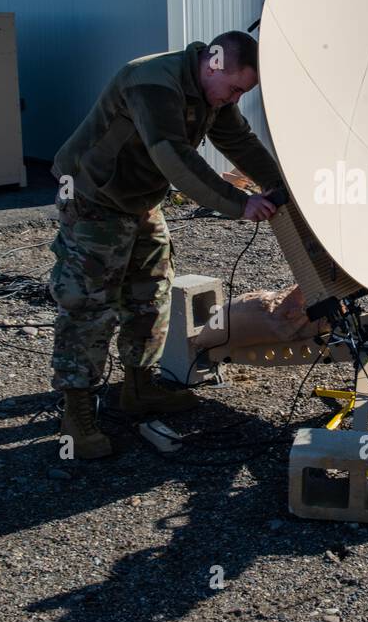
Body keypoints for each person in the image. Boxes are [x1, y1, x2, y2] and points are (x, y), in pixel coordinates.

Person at [49, 31, 282, 458]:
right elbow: (173, 156)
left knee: (150, 291)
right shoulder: (151, 81)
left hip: (139, 201)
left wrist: (279, 187)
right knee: (89, 305)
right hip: (93, 196)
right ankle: (76, 413)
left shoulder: (214, 94)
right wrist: (238, 203)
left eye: (242, 93)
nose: (233, 99)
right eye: (233, 89)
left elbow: (240, 141)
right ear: (213, 65)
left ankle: (139, 387)